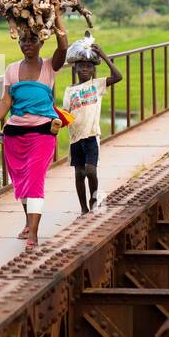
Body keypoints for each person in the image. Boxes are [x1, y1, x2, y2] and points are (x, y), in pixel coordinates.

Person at [0, 20, 69, 247]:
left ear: (41, 41)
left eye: (32, 40)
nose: (27, 44)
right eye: (23, 40)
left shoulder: (51, 65)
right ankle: (28, 224)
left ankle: (34, 234)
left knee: (35, 180)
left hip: (43, 132)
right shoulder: (12, 69)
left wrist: (57, 16)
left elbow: (63, 47)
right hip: (14, 135)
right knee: (21, 181)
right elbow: (6, 101)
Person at [62, 39, 122, 213]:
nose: (85, 70)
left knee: (90, 171)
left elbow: (118, 76)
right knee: (79, 174)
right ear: (75, 68)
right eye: (81, 67)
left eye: (89, 67)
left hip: (91, 135)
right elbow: (66, 113)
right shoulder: (69, 91)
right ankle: (83, 208)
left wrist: (103, 55)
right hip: (75, 138)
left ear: (93, 69)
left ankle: (94, 198)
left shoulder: (97, 85)